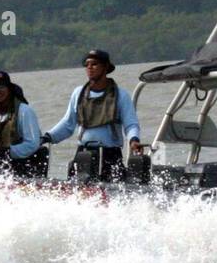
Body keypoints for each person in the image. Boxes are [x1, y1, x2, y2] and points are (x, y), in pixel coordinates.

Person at [41, 49, 142, 180]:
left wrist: (134, 140)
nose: (89, 68)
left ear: (105, 67)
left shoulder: (121, 95)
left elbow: (131, 124)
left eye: (94, 64)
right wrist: (47, 137)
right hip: (83, 154)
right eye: (87, 65)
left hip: (110, 155)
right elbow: (68, 124)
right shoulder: (78, 93)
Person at [0, 70, 47, 177]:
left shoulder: (24, 111)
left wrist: (7, 152)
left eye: (1, 86)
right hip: (7, 169)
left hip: (27, 169)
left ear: (9, 89)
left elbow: (32, 144)